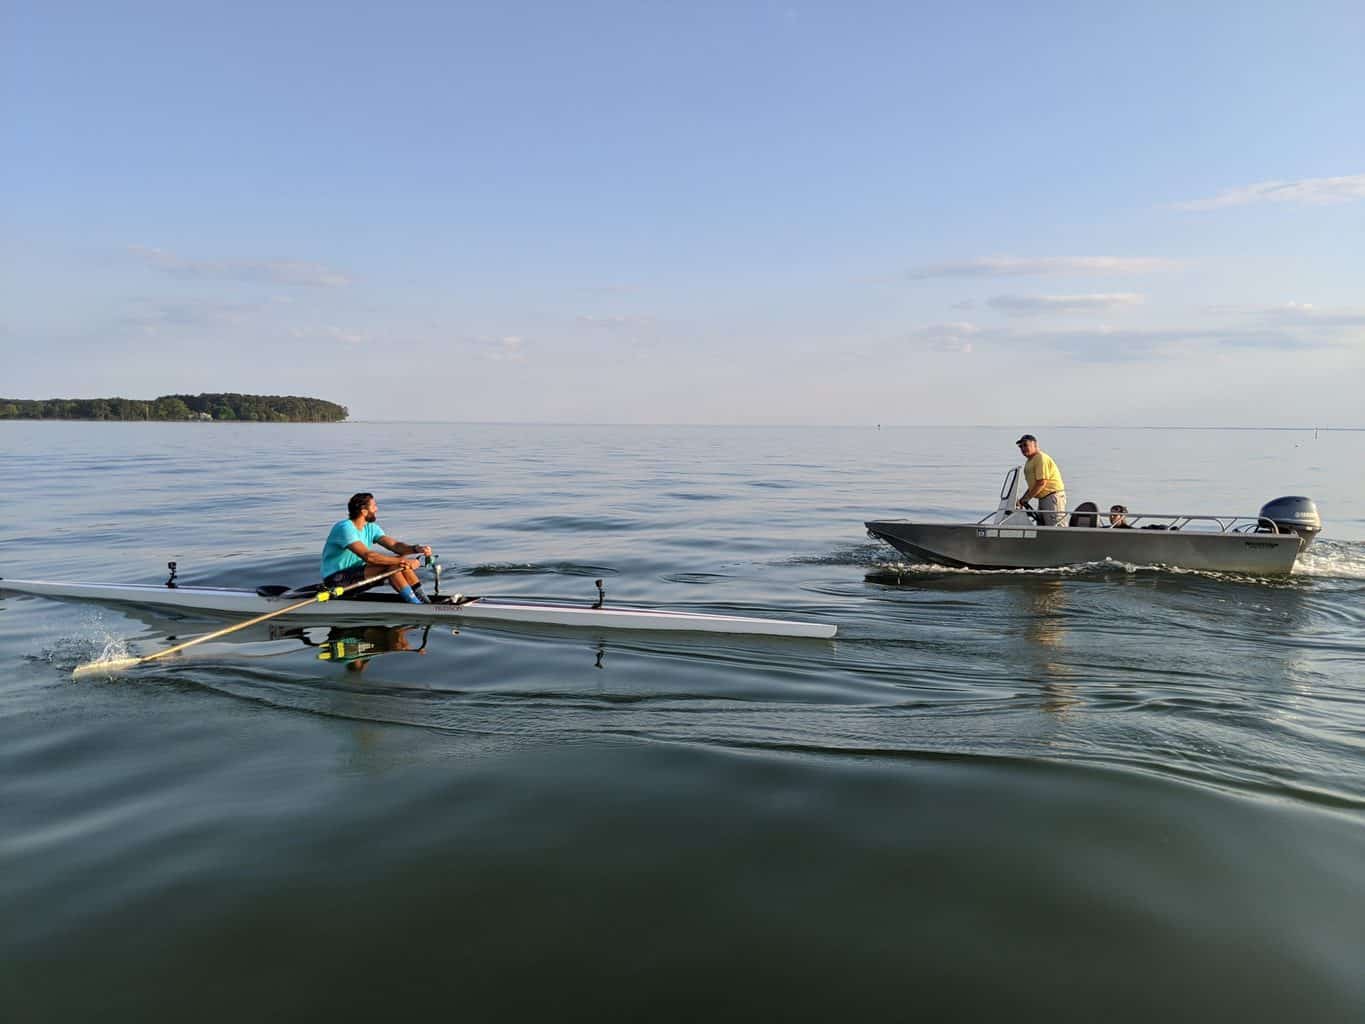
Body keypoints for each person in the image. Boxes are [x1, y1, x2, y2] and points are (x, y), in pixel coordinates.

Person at [321, 492, 433, 604]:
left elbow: (395, 546)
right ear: (363, 511)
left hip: (356, 576)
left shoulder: (371, 528)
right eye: (374, 506)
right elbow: (369, 557)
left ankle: (425, 601)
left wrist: (416, 549)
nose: (377, 509)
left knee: (400, 563)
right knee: (394, 565)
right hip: (336, 581)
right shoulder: (345, 528)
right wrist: (404, 561)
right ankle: (416, 605)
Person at [1014, 434, 1067, 526]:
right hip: (1043, 498)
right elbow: (1033, 486)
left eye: (1025, 445)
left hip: (1052, 497)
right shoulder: (1030, 461)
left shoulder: (1040, 458)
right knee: (1042, 527)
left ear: (1035, 445)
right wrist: (1022, 500)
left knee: (1056, 527)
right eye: (1020, 446)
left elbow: (1042, 482)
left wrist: (1027, 498)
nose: (1023, 448)